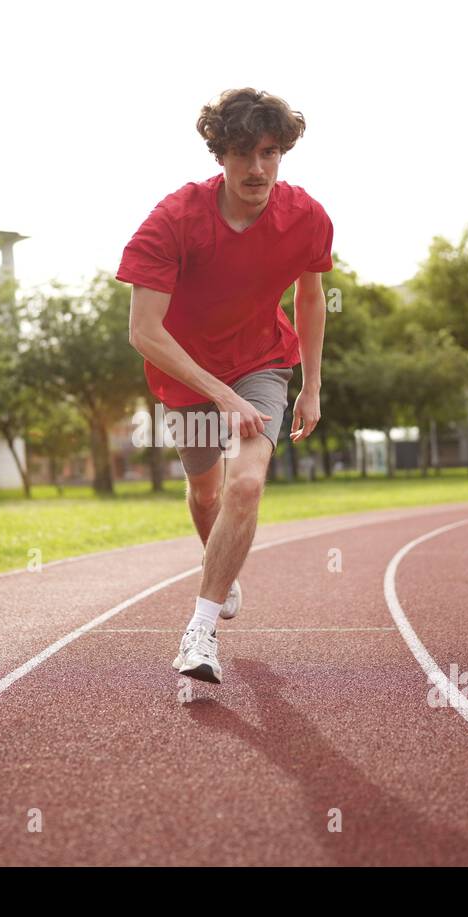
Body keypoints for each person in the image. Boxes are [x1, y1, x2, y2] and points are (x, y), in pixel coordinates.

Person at [118, 87, 334, 684]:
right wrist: (220, 393)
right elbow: (143, 330)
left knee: (244, 486)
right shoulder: (173, 220)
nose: (258, 168)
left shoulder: (307, 217)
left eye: (270, 153)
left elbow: (310, 296)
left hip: (263, 361)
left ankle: (199, 632)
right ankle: (223, 565)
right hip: (185, 372)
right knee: (207, 495)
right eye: (243, 153)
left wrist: (311, 386)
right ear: (220, 155)